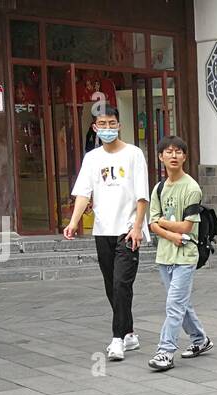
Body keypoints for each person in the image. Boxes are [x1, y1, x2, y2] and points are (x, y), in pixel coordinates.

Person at [64, 105, 149, 362]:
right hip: (102, 230)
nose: (108, 129)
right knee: (112, 285)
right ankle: (130, 332)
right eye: (103, 124)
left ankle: (117, 340)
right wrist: (73, 222)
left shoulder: (134, 155)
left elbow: (142, 195)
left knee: (122, 283)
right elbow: (83, 193)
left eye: (112, 123)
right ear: (95, 127)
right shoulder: (92, 158)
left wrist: (137, 227)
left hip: (127, 230)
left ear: (119, 125)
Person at [145, 136, 212, 371]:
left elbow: (186, 227)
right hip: (165, 256)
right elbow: (152, 223)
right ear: (161, 156)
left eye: (178, 152)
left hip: (186, 256)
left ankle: (165, 352)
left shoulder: (192, 188)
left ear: (185, 156)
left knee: (174, 304)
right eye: (168, 152)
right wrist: (170, 234)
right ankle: (200, 340)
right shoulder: (159, 188)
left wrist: (163, 224)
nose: (173, 156)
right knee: (181, 303)